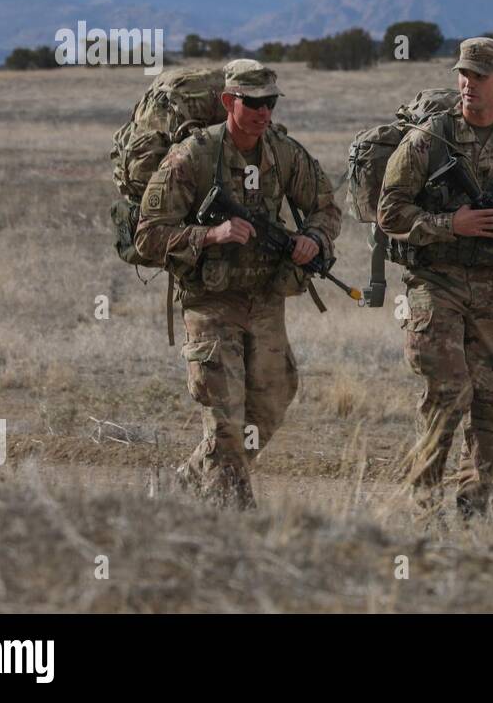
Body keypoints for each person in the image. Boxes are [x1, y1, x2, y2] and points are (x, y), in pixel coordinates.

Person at [135, 59, 341, 508]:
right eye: (253, 103)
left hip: (265, 300)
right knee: (226, 422)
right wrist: (211, 235)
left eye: (270, 102)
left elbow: (326, 207)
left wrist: (313, 238)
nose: (263, 112)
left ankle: (185, 481)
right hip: (211, 303)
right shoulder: (194, 156)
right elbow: (148, 234)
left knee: (268, 408)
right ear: (229, 102)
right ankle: (236, 522)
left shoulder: (284, 153)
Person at [378, 37, 493, 521]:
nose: (468, 83)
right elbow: (389, 211)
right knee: (448, 391)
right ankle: (423, 508)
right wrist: (448, 225)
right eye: (463, 74)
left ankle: (473, 505)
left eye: (479, 76)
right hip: (435, 282)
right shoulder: (428, 139)